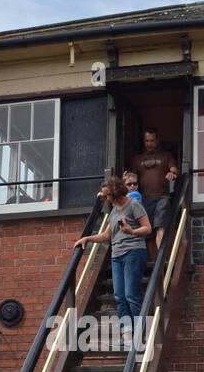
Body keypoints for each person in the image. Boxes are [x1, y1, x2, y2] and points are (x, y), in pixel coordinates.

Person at [76, 176, 151, 346]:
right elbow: (107, 235)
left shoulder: (133, 204)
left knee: (132, 294)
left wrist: (131, 231)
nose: (106, 198)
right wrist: (88, 238)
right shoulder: (115, 210)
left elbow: (147, 228)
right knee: (119, 295)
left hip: (133, 251)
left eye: (108, 195)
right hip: (116, 255)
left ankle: (139, 333)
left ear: (116, 193)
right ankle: (127, 334)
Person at [130, 129, 178, 254]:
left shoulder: (166, 155)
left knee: (160, 226)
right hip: (144, 199)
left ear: (157, 140)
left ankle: (162, 256)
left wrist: (172, 173)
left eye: (152, 140)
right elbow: (132, 178)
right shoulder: (137, 159)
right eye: (147, 141)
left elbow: (174, 168)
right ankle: (154, 261)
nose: (149, 143)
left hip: (162, 197)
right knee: (147, 230)